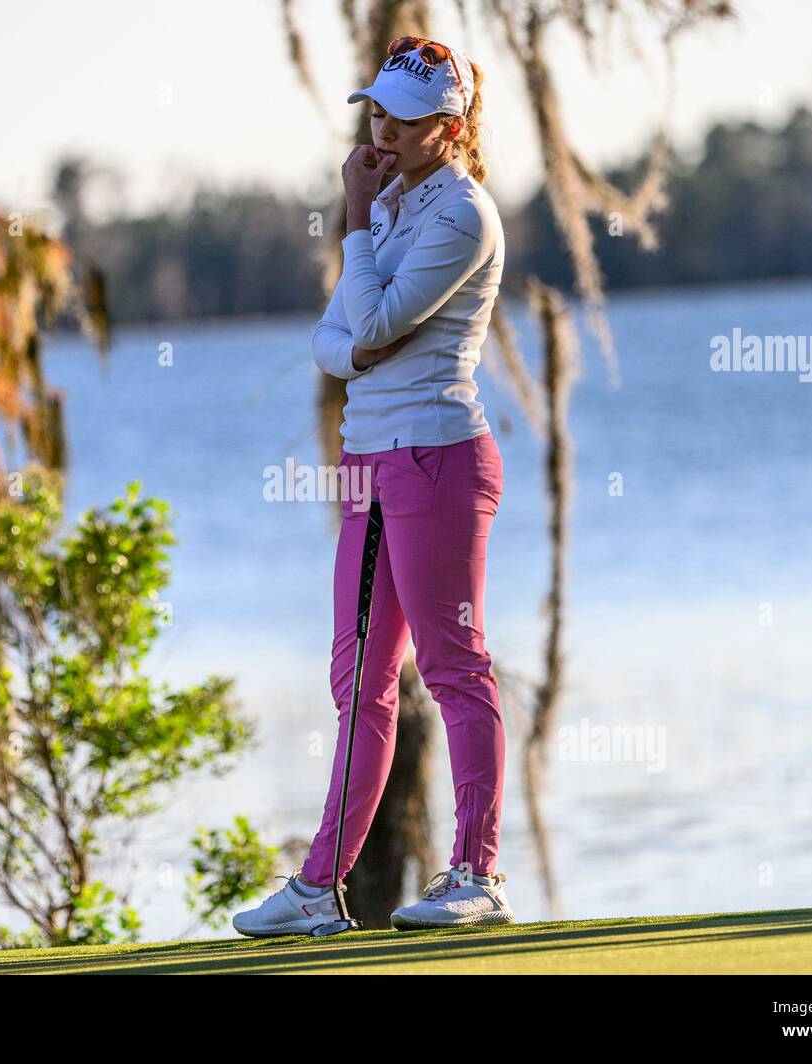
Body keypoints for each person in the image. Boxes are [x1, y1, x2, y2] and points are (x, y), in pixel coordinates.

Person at [233, 36, 512, 936]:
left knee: (454, 668)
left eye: (400, 117)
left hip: (437, 458)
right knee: (360, 679)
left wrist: (354, 227)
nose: (380, 130)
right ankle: (321, 886)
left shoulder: (461, 216)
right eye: (376, 112)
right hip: (372, 465)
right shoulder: (391, 207)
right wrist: (359, 322)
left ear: (451, 125)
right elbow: (337, 339)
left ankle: (476, 873)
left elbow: (379, 324)